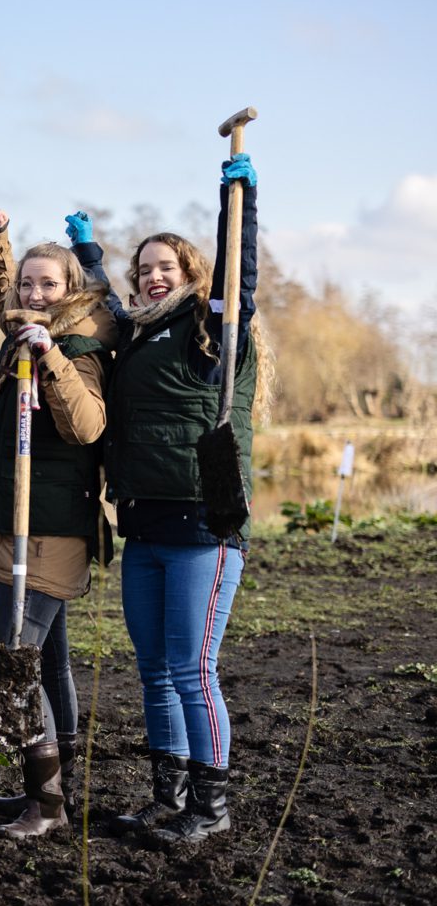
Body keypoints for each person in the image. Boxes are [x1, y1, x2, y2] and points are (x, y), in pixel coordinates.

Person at [97, 153, 271, 843]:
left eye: (164, 266)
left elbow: (239, 279)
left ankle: (211, 806)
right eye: (143, 269)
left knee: (192, 668)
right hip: (144, 525)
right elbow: (110, 307)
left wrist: (238, 204)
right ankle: (166, 796)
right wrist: (88, 253)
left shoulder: (211, 331)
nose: (151, 276)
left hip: (205, 523)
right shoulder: (141, 333)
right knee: (154, 669)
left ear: (192, 272)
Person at [0, 211, 116, 838]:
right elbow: (2, 284)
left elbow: (86, 427)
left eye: (47, 285)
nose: (33, 294)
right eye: (26, 284)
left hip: (52, 528)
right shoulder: (20, 330)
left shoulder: (79, 344)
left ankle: (47, 804)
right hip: (12, 522)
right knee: (48, 658)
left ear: (72, 289)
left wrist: (51, 357)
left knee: (13, 659)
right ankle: (53, 787)